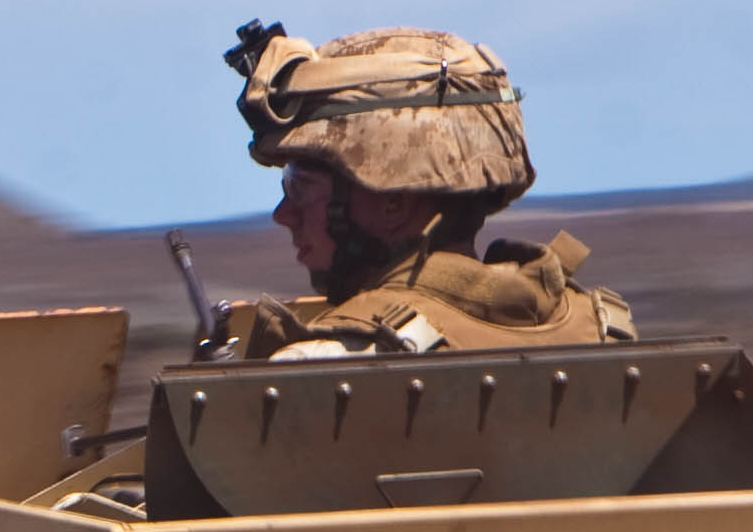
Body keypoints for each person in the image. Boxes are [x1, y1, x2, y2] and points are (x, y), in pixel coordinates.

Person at [217, 20, 634, 358]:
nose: (283, 214)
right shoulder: (608, 334)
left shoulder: (320, 362)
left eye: (301, 187)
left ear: (393, 200)